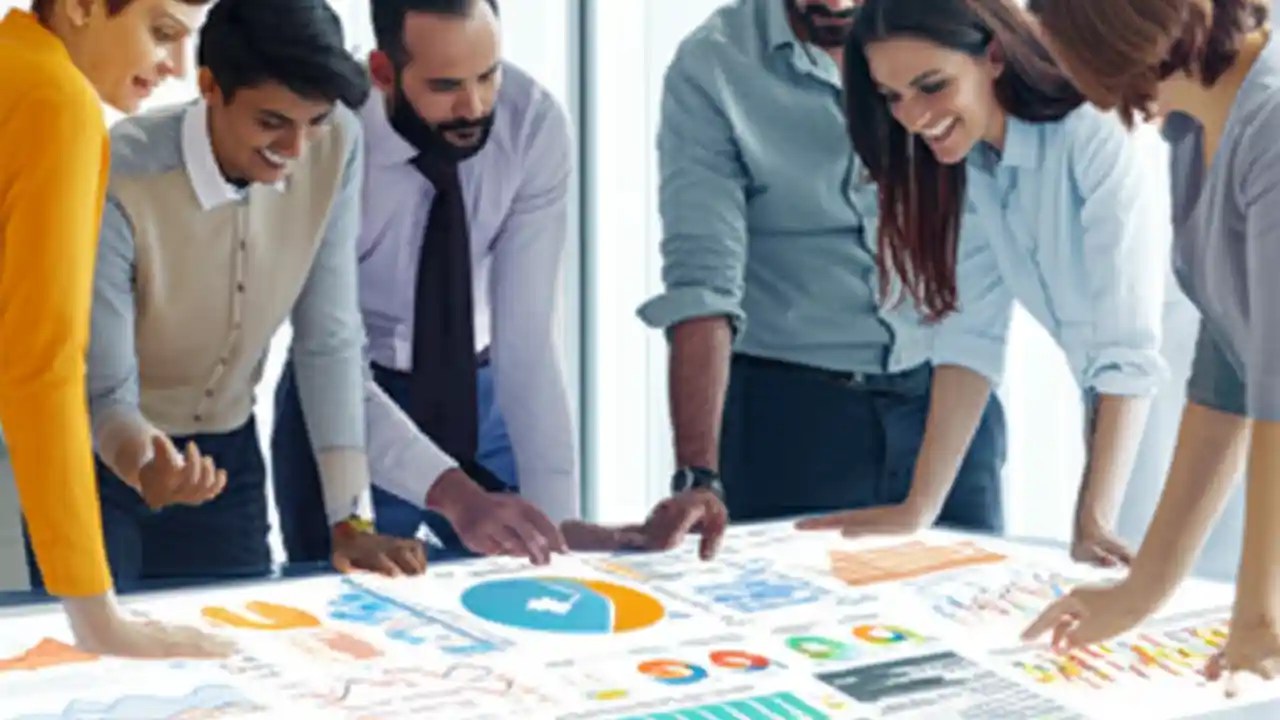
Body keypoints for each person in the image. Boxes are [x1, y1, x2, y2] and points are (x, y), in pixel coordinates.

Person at [272, 0, 728, 566]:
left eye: (487, 76)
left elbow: (527, 340)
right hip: (351, 394)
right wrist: (457, 495)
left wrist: (558, 535)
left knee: (521, 580)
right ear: (384, 72)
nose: (474, 106)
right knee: (348, 594)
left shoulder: (531, 123)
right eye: (445, 86)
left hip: (484, 395)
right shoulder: (327, 138)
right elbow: (330, 355)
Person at [25, 0, 431, 592]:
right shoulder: (117, 173)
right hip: (98, 462)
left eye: (314, 121)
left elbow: (330, 338)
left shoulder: (337, 144)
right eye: (271, 122)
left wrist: (351, 520)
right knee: (89, 640)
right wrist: (146, 464)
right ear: (210, 86)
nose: (296, 149)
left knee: (235, 641)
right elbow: (105, 390)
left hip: (226, 463)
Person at [794, 0, 1170, 569]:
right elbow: (970, 337)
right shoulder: (978, 167)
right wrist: (919, 507)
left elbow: (1128, 347)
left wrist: (1093, 517)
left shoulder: (1096, 128)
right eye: (893, 97)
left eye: (932, 86)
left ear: (993, 56)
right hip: (1127, 423)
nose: (913, 117)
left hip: (1198, 418)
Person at [639, 0, 1007, 532]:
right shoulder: (714, 65)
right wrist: (699, 476)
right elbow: (702, 282)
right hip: (791, 421)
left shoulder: (955, 35)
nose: (834, 4)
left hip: (950, 403)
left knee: (976, 585)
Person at [1024, 0, 1280, 692]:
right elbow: (1227, 372)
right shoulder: (1190, 133)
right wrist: (1144, 589)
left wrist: (1260, 619)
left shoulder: (1272, 121)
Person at [0, 0, 234, 657]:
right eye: (161, 33)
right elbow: (41, 364)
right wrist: (99, 617)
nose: (178, 66)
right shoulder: (56, 101)